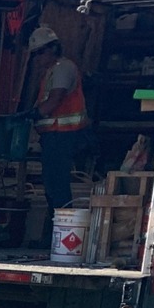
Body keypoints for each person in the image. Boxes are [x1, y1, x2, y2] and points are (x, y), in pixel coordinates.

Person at [27, 24, 88, 223]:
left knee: (58, 186)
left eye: (40, 52)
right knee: (52, 186)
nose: (37, 58)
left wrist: (33, 114)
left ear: (53, 48)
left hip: (62, 135)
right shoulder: (52, 71)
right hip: (53, 136)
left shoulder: (63, 68)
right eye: (34, 54)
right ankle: (55, 233)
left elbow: (54, 100)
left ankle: (62, 231)